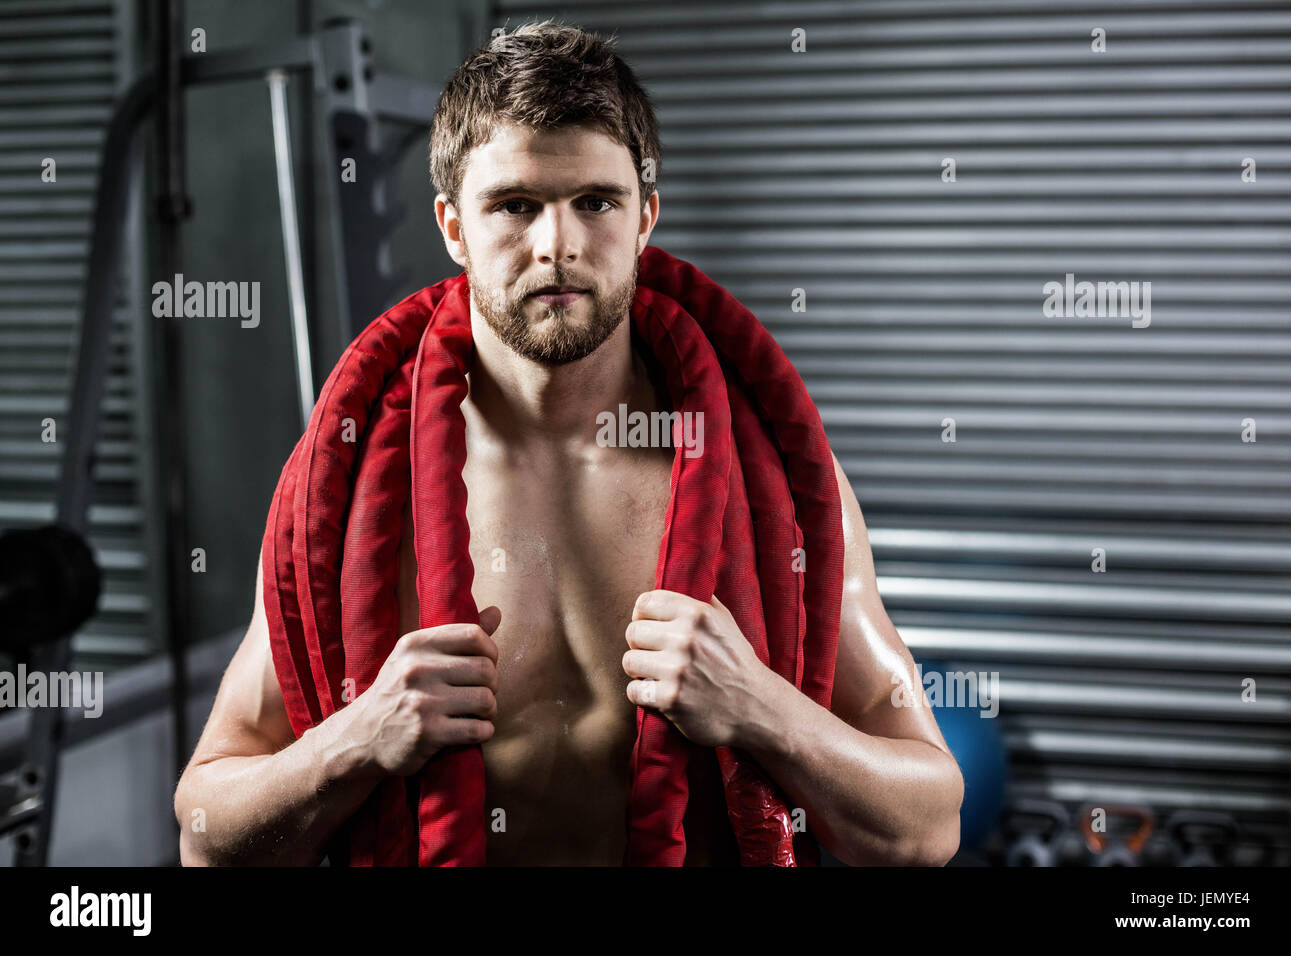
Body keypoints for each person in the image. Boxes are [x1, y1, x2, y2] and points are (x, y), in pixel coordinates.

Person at [173, 20, 963, 867]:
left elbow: (925, 828)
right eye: (515, 205)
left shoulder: (769, 478)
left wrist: (763, 709)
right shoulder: (351, 485)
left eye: (596, 201)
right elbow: (205, 839)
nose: (559, 245)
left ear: (645, 214)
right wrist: (355, 741)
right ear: (452, 227)